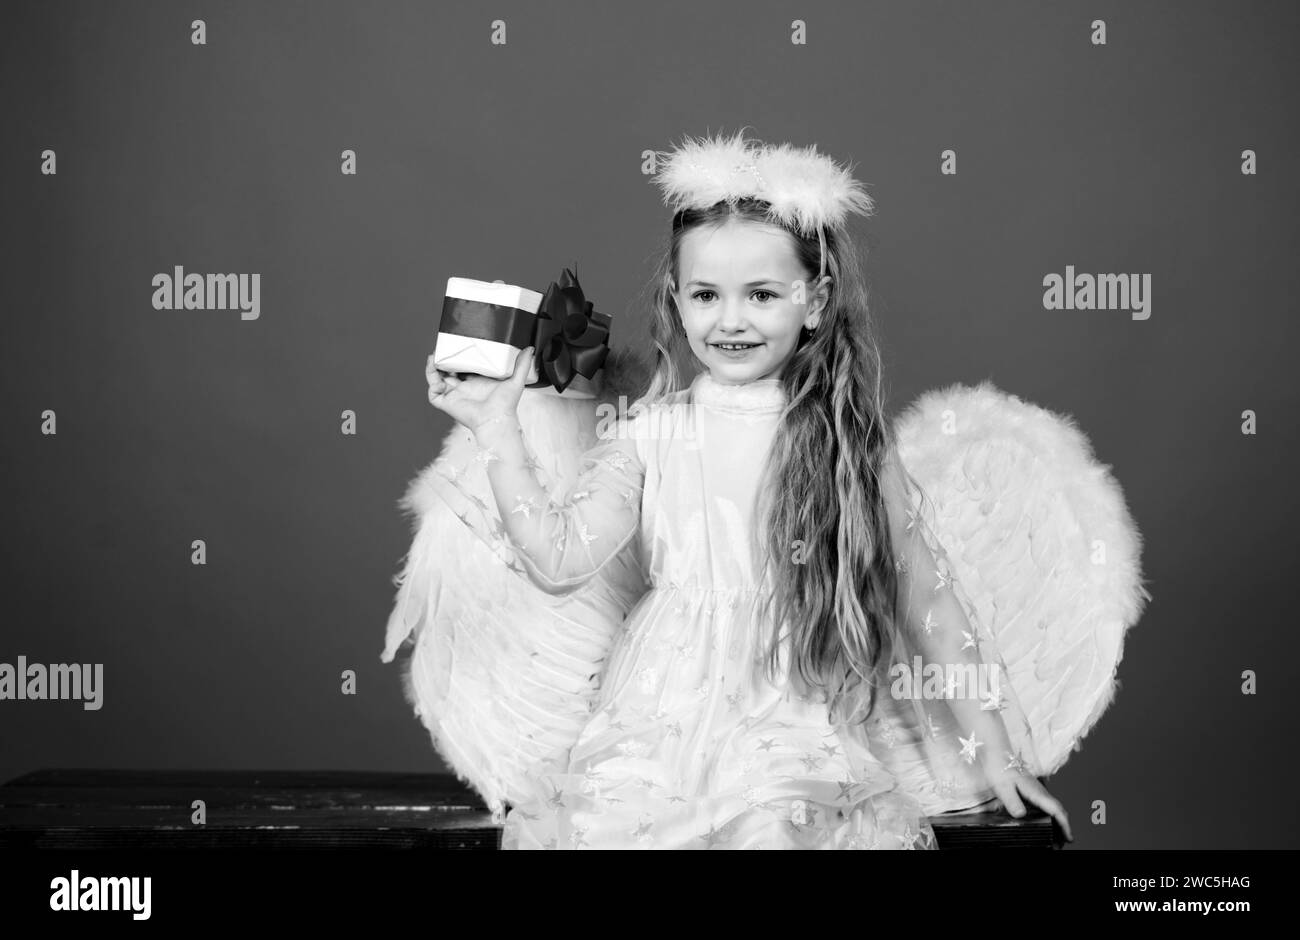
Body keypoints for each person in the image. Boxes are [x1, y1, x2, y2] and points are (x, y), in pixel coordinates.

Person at [425, 129, 1072, 849]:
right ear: (677, 299)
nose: (729, 320)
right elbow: (558, 560)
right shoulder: (651, 434)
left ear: (816, 300)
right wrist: (496, 426)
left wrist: (997, 752)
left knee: (776, 828)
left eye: (762, 294)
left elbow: (929, 597)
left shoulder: (846, 445)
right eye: (706, 294)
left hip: (789, 725)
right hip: (655, 727)